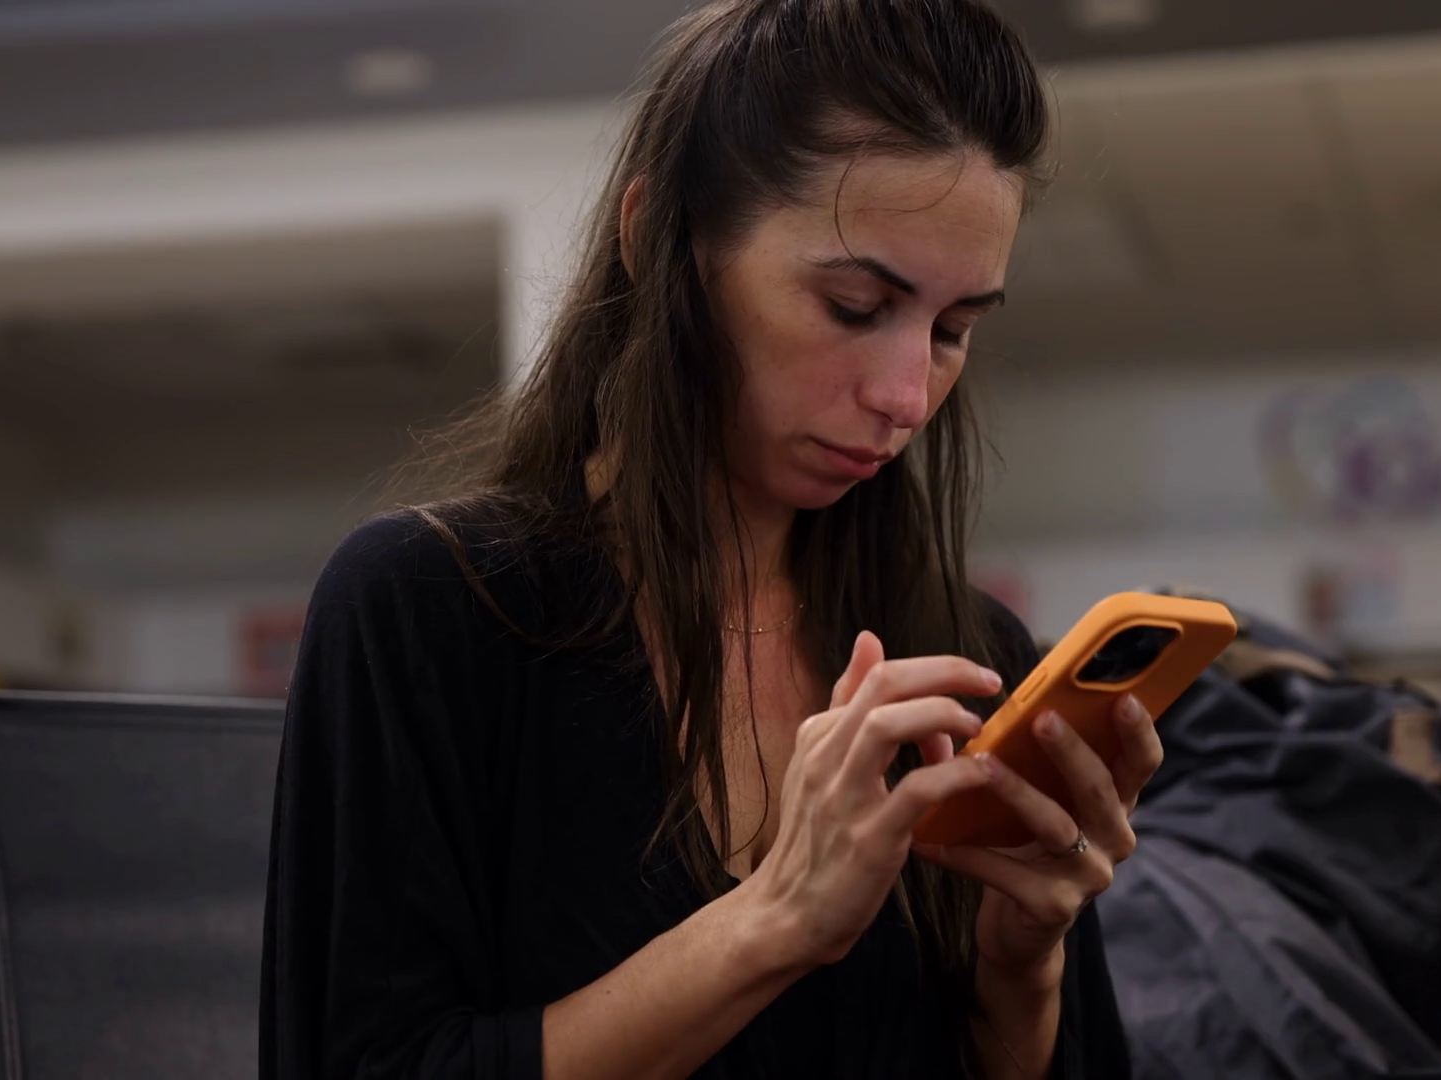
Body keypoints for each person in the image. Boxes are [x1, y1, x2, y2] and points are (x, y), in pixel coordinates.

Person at [261, 0, 1160, 1076]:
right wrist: (772, 921)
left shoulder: (973, 659)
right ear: (659, 240)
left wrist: (1022, 976)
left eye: (955, 330)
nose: (908, 393)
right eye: (854, 304)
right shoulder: (435, 609)